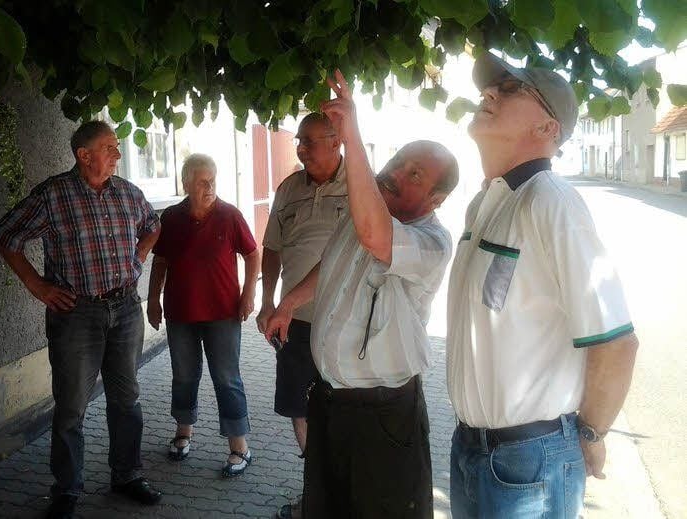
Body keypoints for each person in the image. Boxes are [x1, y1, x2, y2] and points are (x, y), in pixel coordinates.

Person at [446, 52, 639, 518]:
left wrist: (590, 435)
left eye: (511, 90)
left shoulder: (552, 202)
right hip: (472, 448)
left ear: (548, 129)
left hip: (529, 461)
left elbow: (616, 342)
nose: (489, 93)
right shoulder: (486, 204)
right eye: (492, 88)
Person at [266, 70, 460, 518]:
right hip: (331, 401)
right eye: (398, 161)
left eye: (414, 174)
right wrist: (289, 302)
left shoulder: (431, 241)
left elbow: (376, 238)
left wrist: (352, 139)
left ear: (435, 200)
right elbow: (330, 264)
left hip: (385, 415)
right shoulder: (361, 217)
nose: (394, 173)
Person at [0, 121, 162, 519]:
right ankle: (67, 489)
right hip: (76, 315)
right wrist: (38, 286)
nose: (118, 154)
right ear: (84, 155)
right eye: (110, 147)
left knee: (126, 398)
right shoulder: (54, 195)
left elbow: (154, 226)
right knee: (70, 407)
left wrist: (136, 262)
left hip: (125, 309)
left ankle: (128, 475)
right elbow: (5, 234)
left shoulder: (126, 193)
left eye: (117, 147)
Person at [254, 112, 348, 519]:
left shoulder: (363, 187)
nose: (301, 149)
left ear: (336, 141)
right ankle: (318, 494)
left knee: (345, 410)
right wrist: (268, 300)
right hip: (294, 322)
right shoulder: (289, 187)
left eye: (310, 141)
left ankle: (344, 496)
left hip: (345, 324)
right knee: (299, 406)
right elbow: (272, 246)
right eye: (299, 141)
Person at [147, 154, 261, 477]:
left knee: (227, 377)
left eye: (213, 179)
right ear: (186, 184)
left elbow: (253, 255)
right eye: (202, 181)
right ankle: (184, 433)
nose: (210, 186)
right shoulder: (170, 218)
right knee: (184, 375)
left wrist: (248, 294)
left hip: (223, 313)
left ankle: (240, 447)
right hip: (180, 313)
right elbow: (160, 262)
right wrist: (153, 300)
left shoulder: (230, 216)